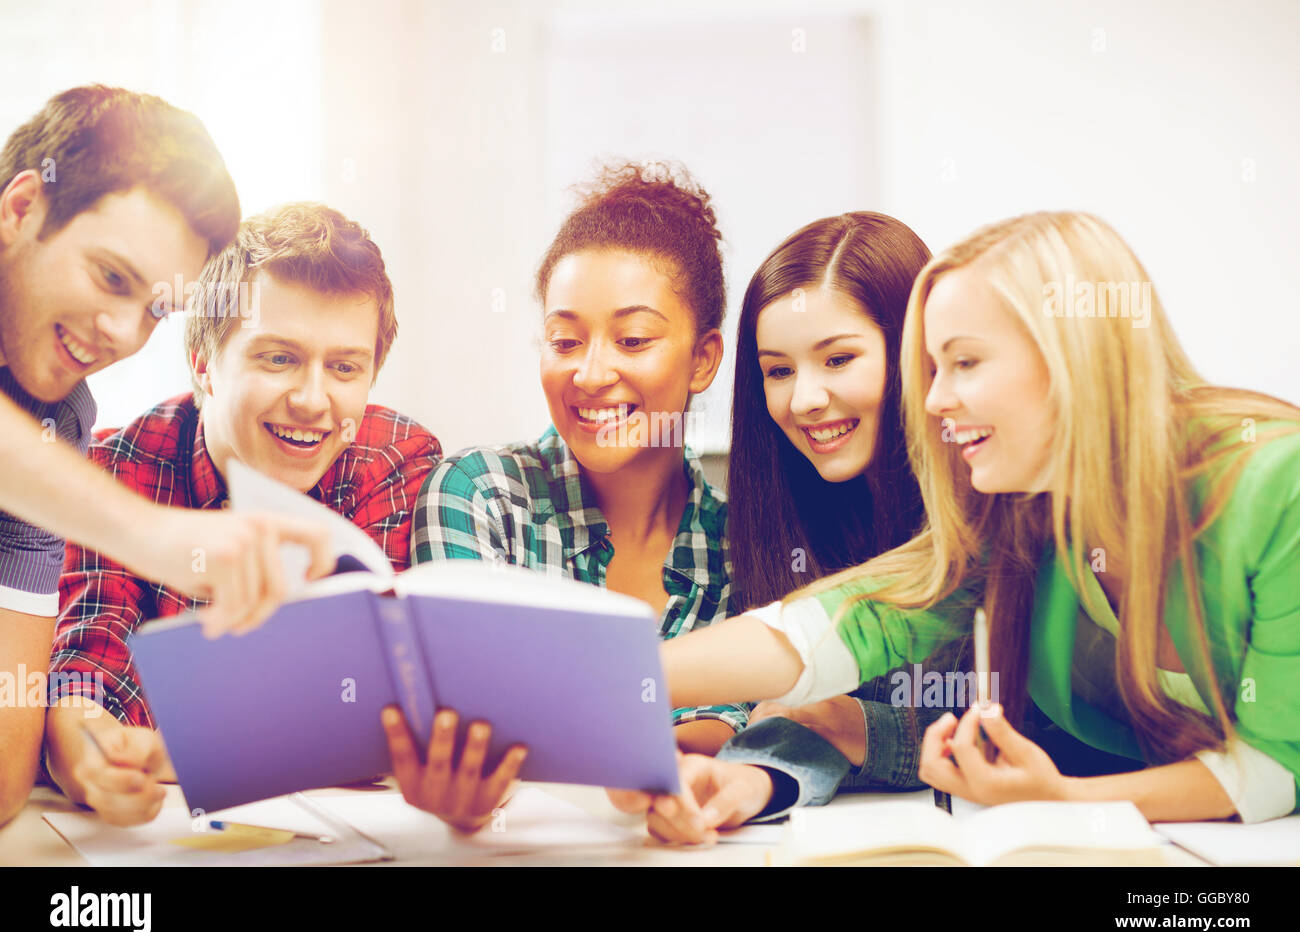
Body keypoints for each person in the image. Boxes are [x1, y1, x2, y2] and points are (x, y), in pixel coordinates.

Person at [640, 210, 1300, 841]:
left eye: (964, 363)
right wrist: (627, 671)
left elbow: (1274, 769)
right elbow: (850, 623)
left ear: (1070, 355)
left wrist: (1059, 800)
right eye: (931, 368)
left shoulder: (1276, 484)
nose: (931, 400)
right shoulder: (1021, 506)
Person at [44, 202, 441, 826]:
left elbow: (373, 712)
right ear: (204, 364)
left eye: (344, 368)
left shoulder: (395, 458)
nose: (313, 400)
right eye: (277, 358)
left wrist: (184, 743)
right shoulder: (116, 466)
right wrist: (92, 751)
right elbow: (91, 663)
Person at [0, 87, 332, 826]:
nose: (121, 332)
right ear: (20, 209)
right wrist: (156, 537)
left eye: (154, 309)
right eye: (112, 278)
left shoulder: (54, 420)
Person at [388, 161, 733, 831]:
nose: (591, 372)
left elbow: (756, 722)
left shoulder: (743, 543)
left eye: (632, 339)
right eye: (563, 340)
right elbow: (470, 719)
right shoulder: (478, 495)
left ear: (703, 359)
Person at [612, 213, 952, 839]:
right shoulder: (797, 512)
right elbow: (810, 708)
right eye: (778, 371)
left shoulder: (982, 502)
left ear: (916, 350)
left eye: (839, 358)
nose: (805, 400)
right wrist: (750, 780)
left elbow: (990, 720)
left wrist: (861, 728)